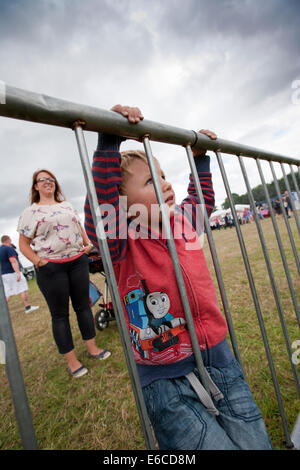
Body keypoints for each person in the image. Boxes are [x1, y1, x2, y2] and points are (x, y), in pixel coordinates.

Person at [84, 104, 272, 450]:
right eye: (150, 181)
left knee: (256, 441)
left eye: (163, 175)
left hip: (218, 360)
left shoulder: (185, 220)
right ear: (123, 204)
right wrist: (108, 140)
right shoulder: (121, 241)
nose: (165, 184)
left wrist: (200, 158)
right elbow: (101, 209)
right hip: (165, 381)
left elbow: (202, 197)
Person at [17, 169, 111, 378]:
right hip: (51, 268)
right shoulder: (30, 212)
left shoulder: (66, 205)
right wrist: (39, 261)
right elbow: (23, 244)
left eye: (51, 179)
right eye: (43, 180)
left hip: (77, 262)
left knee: (84, 307)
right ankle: (72, 362)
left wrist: (87, 245)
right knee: (60, 315)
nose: (48, 182)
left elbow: (79, 226)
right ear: (35, 186)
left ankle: (93, 349)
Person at [0, 235, 39, 314]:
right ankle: (28, 307)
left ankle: (1, 311)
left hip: (4, 274)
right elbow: (13, 261)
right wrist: (18, 273)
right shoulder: (9, 249)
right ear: (8, 240)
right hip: (12, 272)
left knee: (7, 293)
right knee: (23, 289)